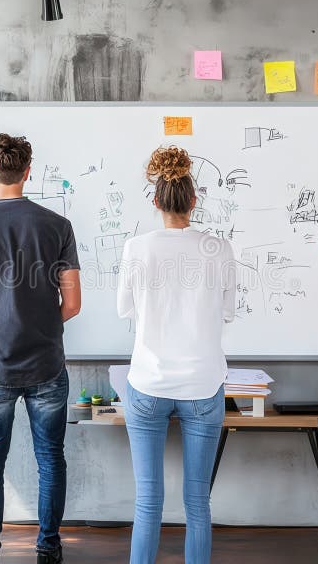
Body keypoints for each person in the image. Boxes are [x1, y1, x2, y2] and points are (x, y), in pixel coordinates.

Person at [0, 134, 81, 564]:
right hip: (47, 362)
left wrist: (4, 327)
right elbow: (73, 304)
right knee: (51, 458)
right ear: (29, 171)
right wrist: (40, 325)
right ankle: (48, 548)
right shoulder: (58, 226)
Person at [117, 146, 236, 564]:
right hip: (203, 386)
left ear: (155, 201)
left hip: (147, 383)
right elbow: (227, 312)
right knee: (197, 503)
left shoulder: (136, 248)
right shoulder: (219, 249)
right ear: (194, 200)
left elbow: (124, 310)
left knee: (147, 501)